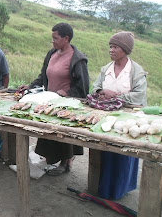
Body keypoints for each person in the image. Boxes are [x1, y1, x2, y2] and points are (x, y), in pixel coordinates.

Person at [20, 23, 89, 176]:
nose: (53, 41)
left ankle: (66, 162)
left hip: (66, 104)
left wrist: (67, 92)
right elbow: (43, 76)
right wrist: (30, 87)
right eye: (52, 38)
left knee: (63, 135)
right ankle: (52, 159)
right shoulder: (52, 53)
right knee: (50, 134)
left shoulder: (77, 60)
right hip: (50, 102)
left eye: (55, 38)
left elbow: (82, 86)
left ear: (66, 38)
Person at [92, 31, 147, 199]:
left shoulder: (136, 71)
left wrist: (115, 96)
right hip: (107, 117)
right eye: (110, 47)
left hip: (127, 120)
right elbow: (95, 87)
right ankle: (104, 189)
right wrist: (101, 91)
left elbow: (139, 95)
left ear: (125, 49)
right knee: (107, 152)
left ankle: (120, 189)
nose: (111, 50)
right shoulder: (106, 69)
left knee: (123, 153)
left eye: (115, 47)